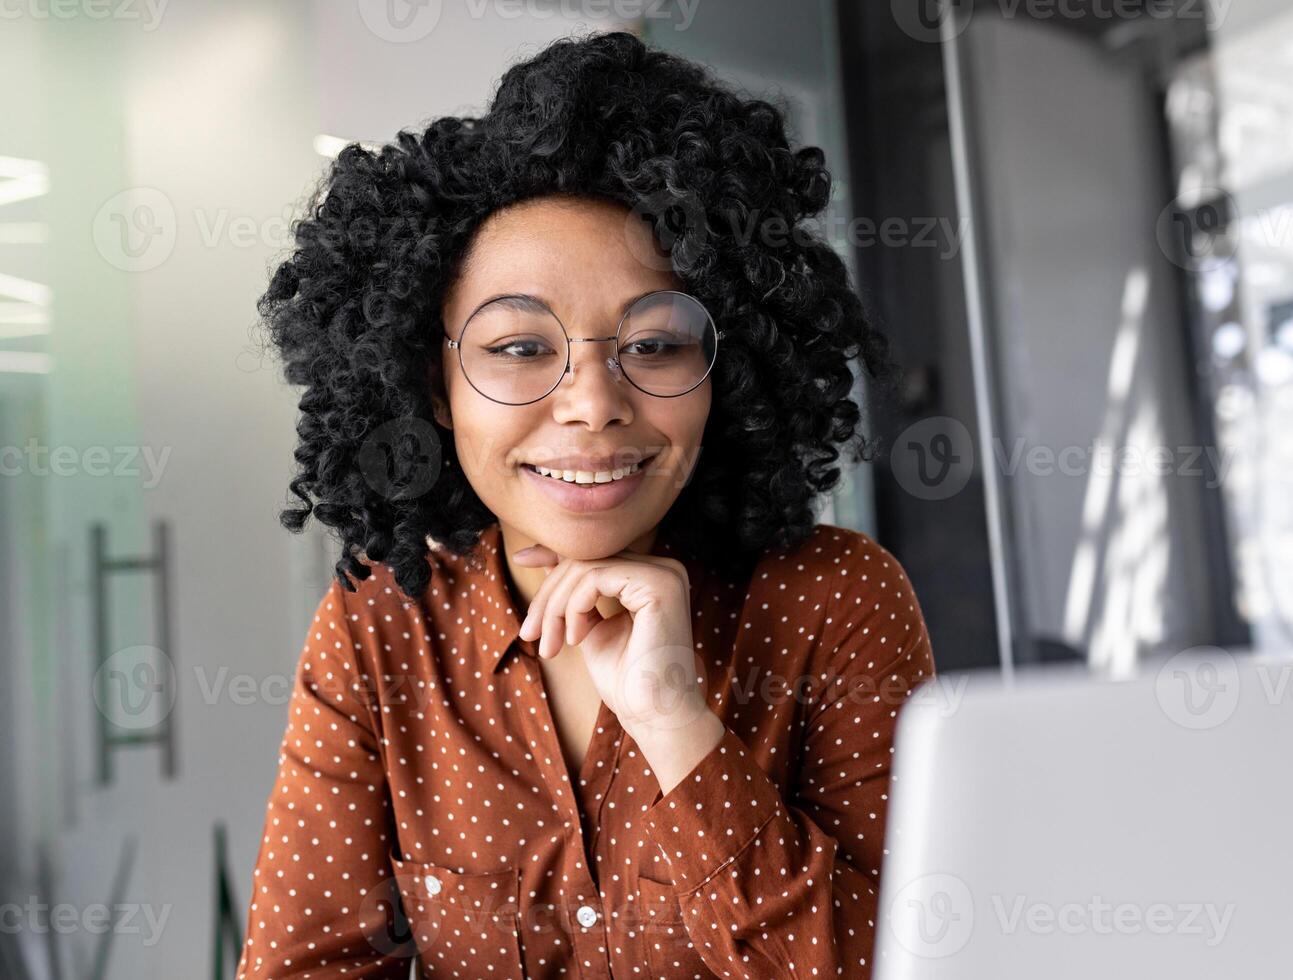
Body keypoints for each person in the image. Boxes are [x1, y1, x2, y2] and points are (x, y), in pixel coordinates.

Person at [237, 28, 935, 980]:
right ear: (431, 387)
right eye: (519, 348)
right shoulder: (379, 634)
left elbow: (903, 965)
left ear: (723, 373)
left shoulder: (835, 605)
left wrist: (678, 725)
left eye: (654, 347)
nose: (595, 402)